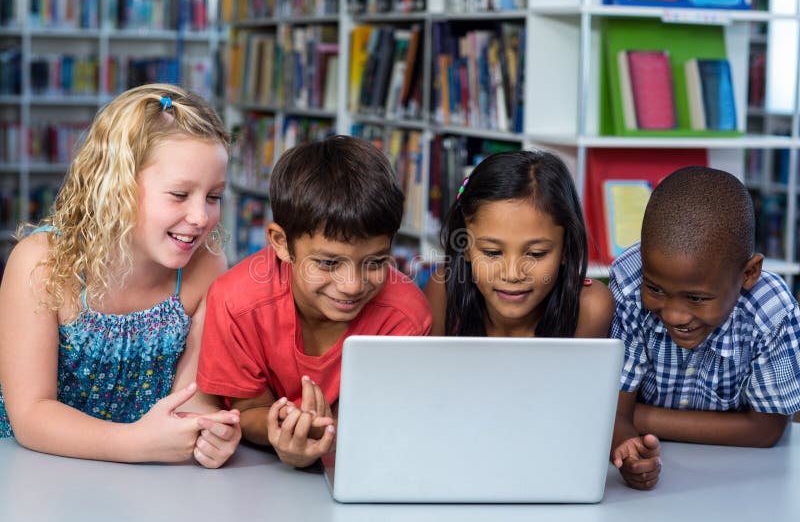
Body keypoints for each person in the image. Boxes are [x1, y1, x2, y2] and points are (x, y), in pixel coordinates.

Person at [0, 83, 241, 468]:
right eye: (180, 195)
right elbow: (30, 414)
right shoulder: (40, 262)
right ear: (118, 188)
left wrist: (205, 432)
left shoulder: (207, 266)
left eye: (213, 197)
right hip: (35, 470)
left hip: (149, 481)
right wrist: (136, 444)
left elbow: (192, 397)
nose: (201, 217)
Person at [196, 135, 432, 469]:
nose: (352, 286)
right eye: (328, 263)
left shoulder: (406, 315)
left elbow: (389, 418)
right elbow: (246, 410)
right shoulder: (236, 302)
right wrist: (286, 432)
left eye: (376, 262)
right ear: (281, 242)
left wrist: (323, 435)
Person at [610, 166, 800, 490]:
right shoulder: (630, 285)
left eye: (697, 298)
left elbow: (766, 431)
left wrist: (635, 418)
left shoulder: (773, 314)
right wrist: (628, 447)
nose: (673, 315)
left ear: (749, 274)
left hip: (741, 481)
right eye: (655, 289)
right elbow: (615, 412)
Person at [424, 149, 614, 338]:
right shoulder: (444, 293)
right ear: (464, 246)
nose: (512, 274)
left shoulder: (589, 308)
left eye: (536, 254)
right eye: (492, 252)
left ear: (565, 248)